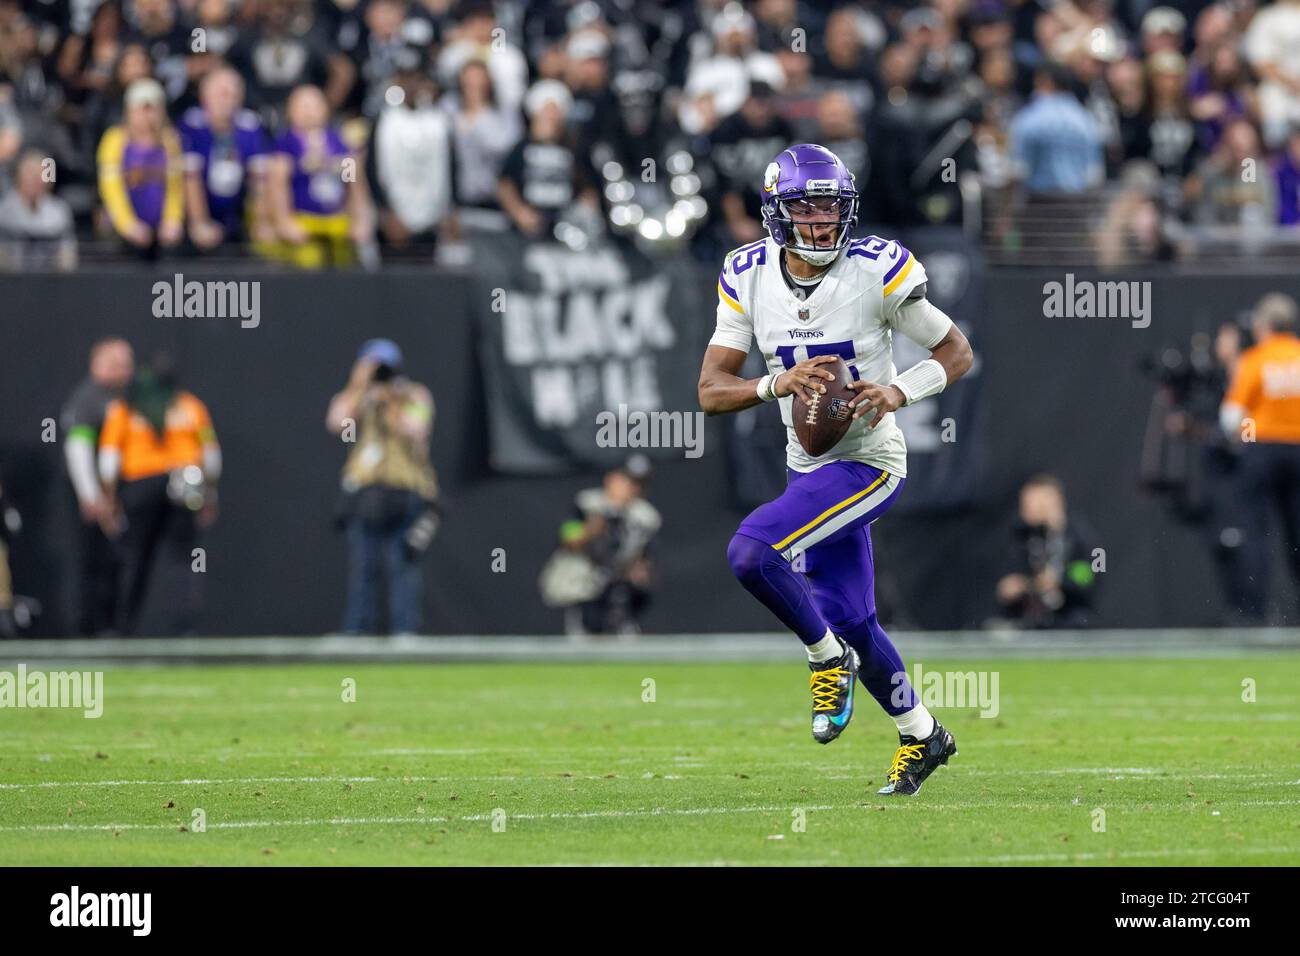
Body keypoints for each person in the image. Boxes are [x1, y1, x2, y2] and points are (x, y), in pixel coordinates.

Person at [697, 143, 973, 797]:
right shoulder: (746, 274)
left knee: (751, 551)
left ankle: (826, 660)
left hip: (869, 461)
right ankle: (923, 732)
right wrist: (778, 383)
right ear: (775, 215)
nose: (821, 225)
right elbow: (711, 390)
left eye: (831, 211)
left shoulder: (876, 269)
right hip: (808, 464)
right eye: (807, 212)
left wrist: (899, 391)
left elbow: (955, 351)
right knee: (851, 615)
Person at [98, 354, 221, 635]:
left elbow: (109, 459)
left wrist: (109, 496)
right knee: (183, 559)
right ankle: (184, 629)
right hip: (184, 481)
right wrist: (210, 494)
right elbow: (211, 455)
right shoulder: (190, 406)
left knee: (135, 557)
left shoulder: (126, 409)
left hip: (141, 485)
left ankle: (124, 626)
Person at [326, 339, 438, 635]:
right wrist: (359, 387)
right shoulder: (361, 398)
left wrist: (391, 402)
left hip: (406, 489)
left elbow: (418, 430)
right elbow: (337, 422)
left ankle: (405, 632)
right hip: (367, 491)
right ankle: (357, 633)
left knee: (403, 564)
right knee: (364, 567)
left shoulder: (415, 395)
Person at [1220, 292, 1300, 622]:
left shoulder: (1256, 358)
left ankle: (1254, 613)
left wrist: (1244, 438)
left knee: (1255, 533)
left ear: (1264, 325)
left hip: (1262, 450)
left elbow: (1231, 417)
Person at [539, 456, 661, 637]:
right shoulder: (586, 504)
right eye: (627, 481)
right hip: (583, 587)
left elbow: (646, 561)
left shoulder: (646, 517)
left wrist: (640, 571)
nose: (632, 489)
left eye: (639, 484)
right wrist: (591, 530)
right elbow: (566, 539)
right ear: (611, 479)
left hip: (620, 592)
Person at [61, 337, 134, 636]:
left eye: (126, 364)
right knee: (96, 561)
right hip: (96, 496)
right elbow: (77, 448)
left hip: (119, 493)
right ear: (97, 364)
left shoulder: (125, 398)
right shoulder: (90, 398)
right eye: (115, 363)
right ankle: (93, 629)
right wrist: (92, 496)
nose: (122, 370)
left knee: (118, 563)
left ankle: (113, 626)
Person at [994, 474, 1099, 629]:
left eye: (1038, 503)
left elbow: (1090, 575)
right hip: (1026, 620)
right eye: (1027, 503)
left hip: (1069, 619)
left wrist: (1059, 580)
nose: (1030, 508)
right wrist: (1018, 585)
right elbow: (1008, 579)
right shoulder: (1020, 538)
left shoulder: (1080, 538)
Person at [96, 77, 184, 257]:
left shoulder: (170, 141)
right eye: (141, 111)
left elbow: (175, 188)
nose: (147, 117)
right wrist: (128, 224)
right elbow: (111, 188)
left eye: (153, 110)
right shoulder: (114, 140)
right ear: (129, 112)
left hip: (161, 229)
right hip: (124, 228)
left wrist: (173, 220)